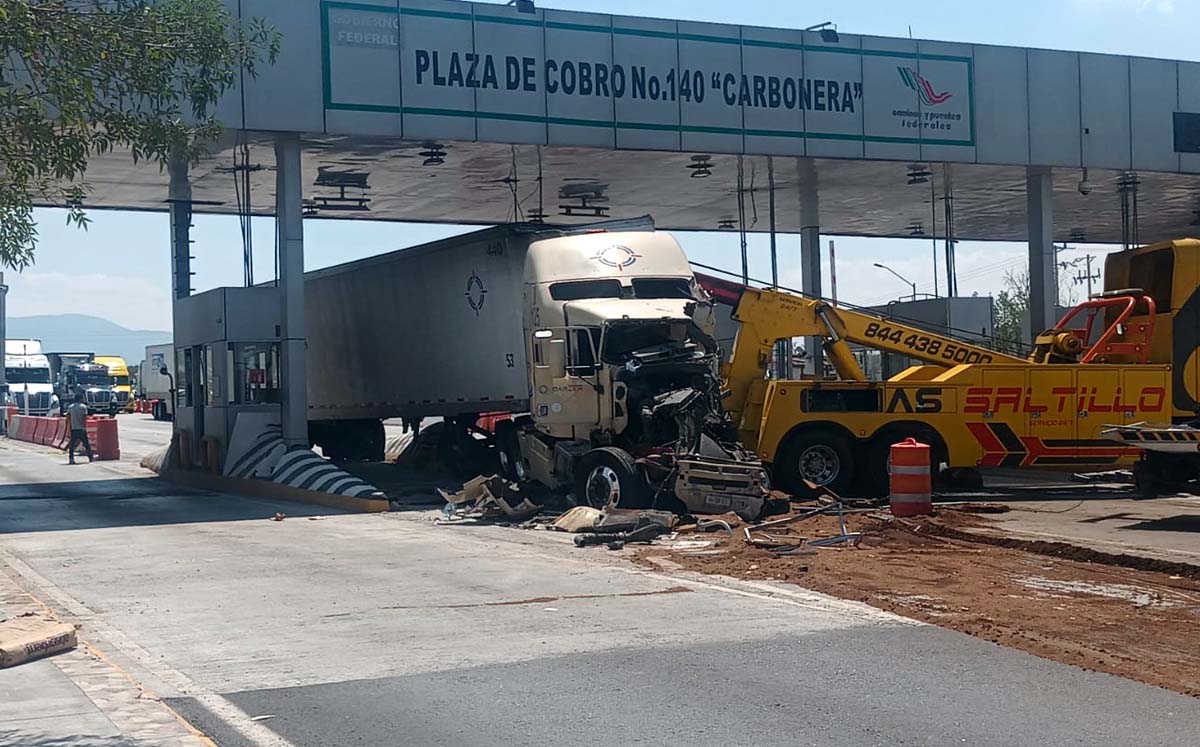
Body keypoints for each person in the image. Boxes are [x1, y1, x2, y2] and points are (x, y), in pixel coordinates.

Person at [66, 393, 93, 464]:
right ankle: (90, 457)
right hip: (81, 428)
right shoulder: (83, 407)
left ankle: (71, 458)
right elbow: (84, 418)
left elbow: (68, 417)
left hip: (74, 428)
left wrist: (69, 426)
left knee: (72, 445)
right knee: (86, 444)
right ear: (81, 399)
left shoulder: (70, 407)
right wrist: (84, 426)